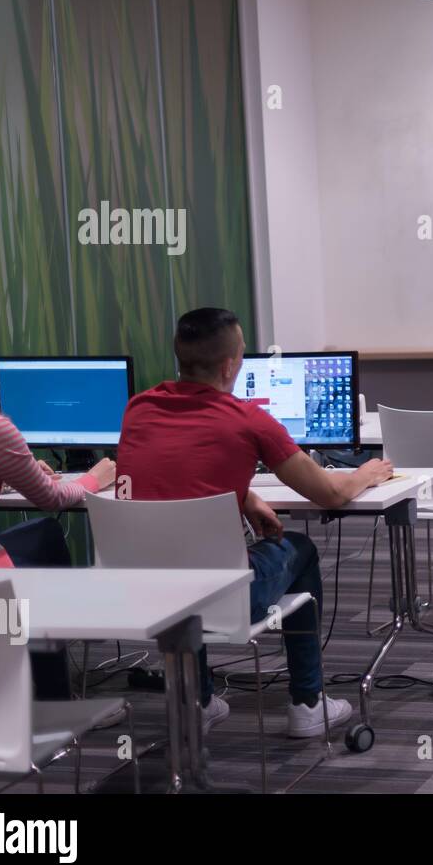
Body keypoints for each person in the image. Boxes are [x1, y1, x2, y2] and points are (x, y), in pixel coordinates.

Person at [116, 308, 393, 738]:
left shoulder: (139, 408)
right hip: (220, 599)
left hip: (144, 593)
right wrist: (367, 473)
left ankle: (200, 699)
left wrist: (244, 497)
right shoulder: (247, 420)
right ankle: (307, 703)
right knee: (300, 549)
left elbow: (176, 471)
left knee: (183, 559)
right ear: (231, 365)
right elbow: (330, 494)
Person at [0, 326, 117, 700]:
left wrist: (15, 471)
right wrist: (96, 478)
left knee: (39, 537)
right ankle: (57, 686)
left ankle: (49, 652)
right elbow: (52, 499)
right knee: (46, 531)